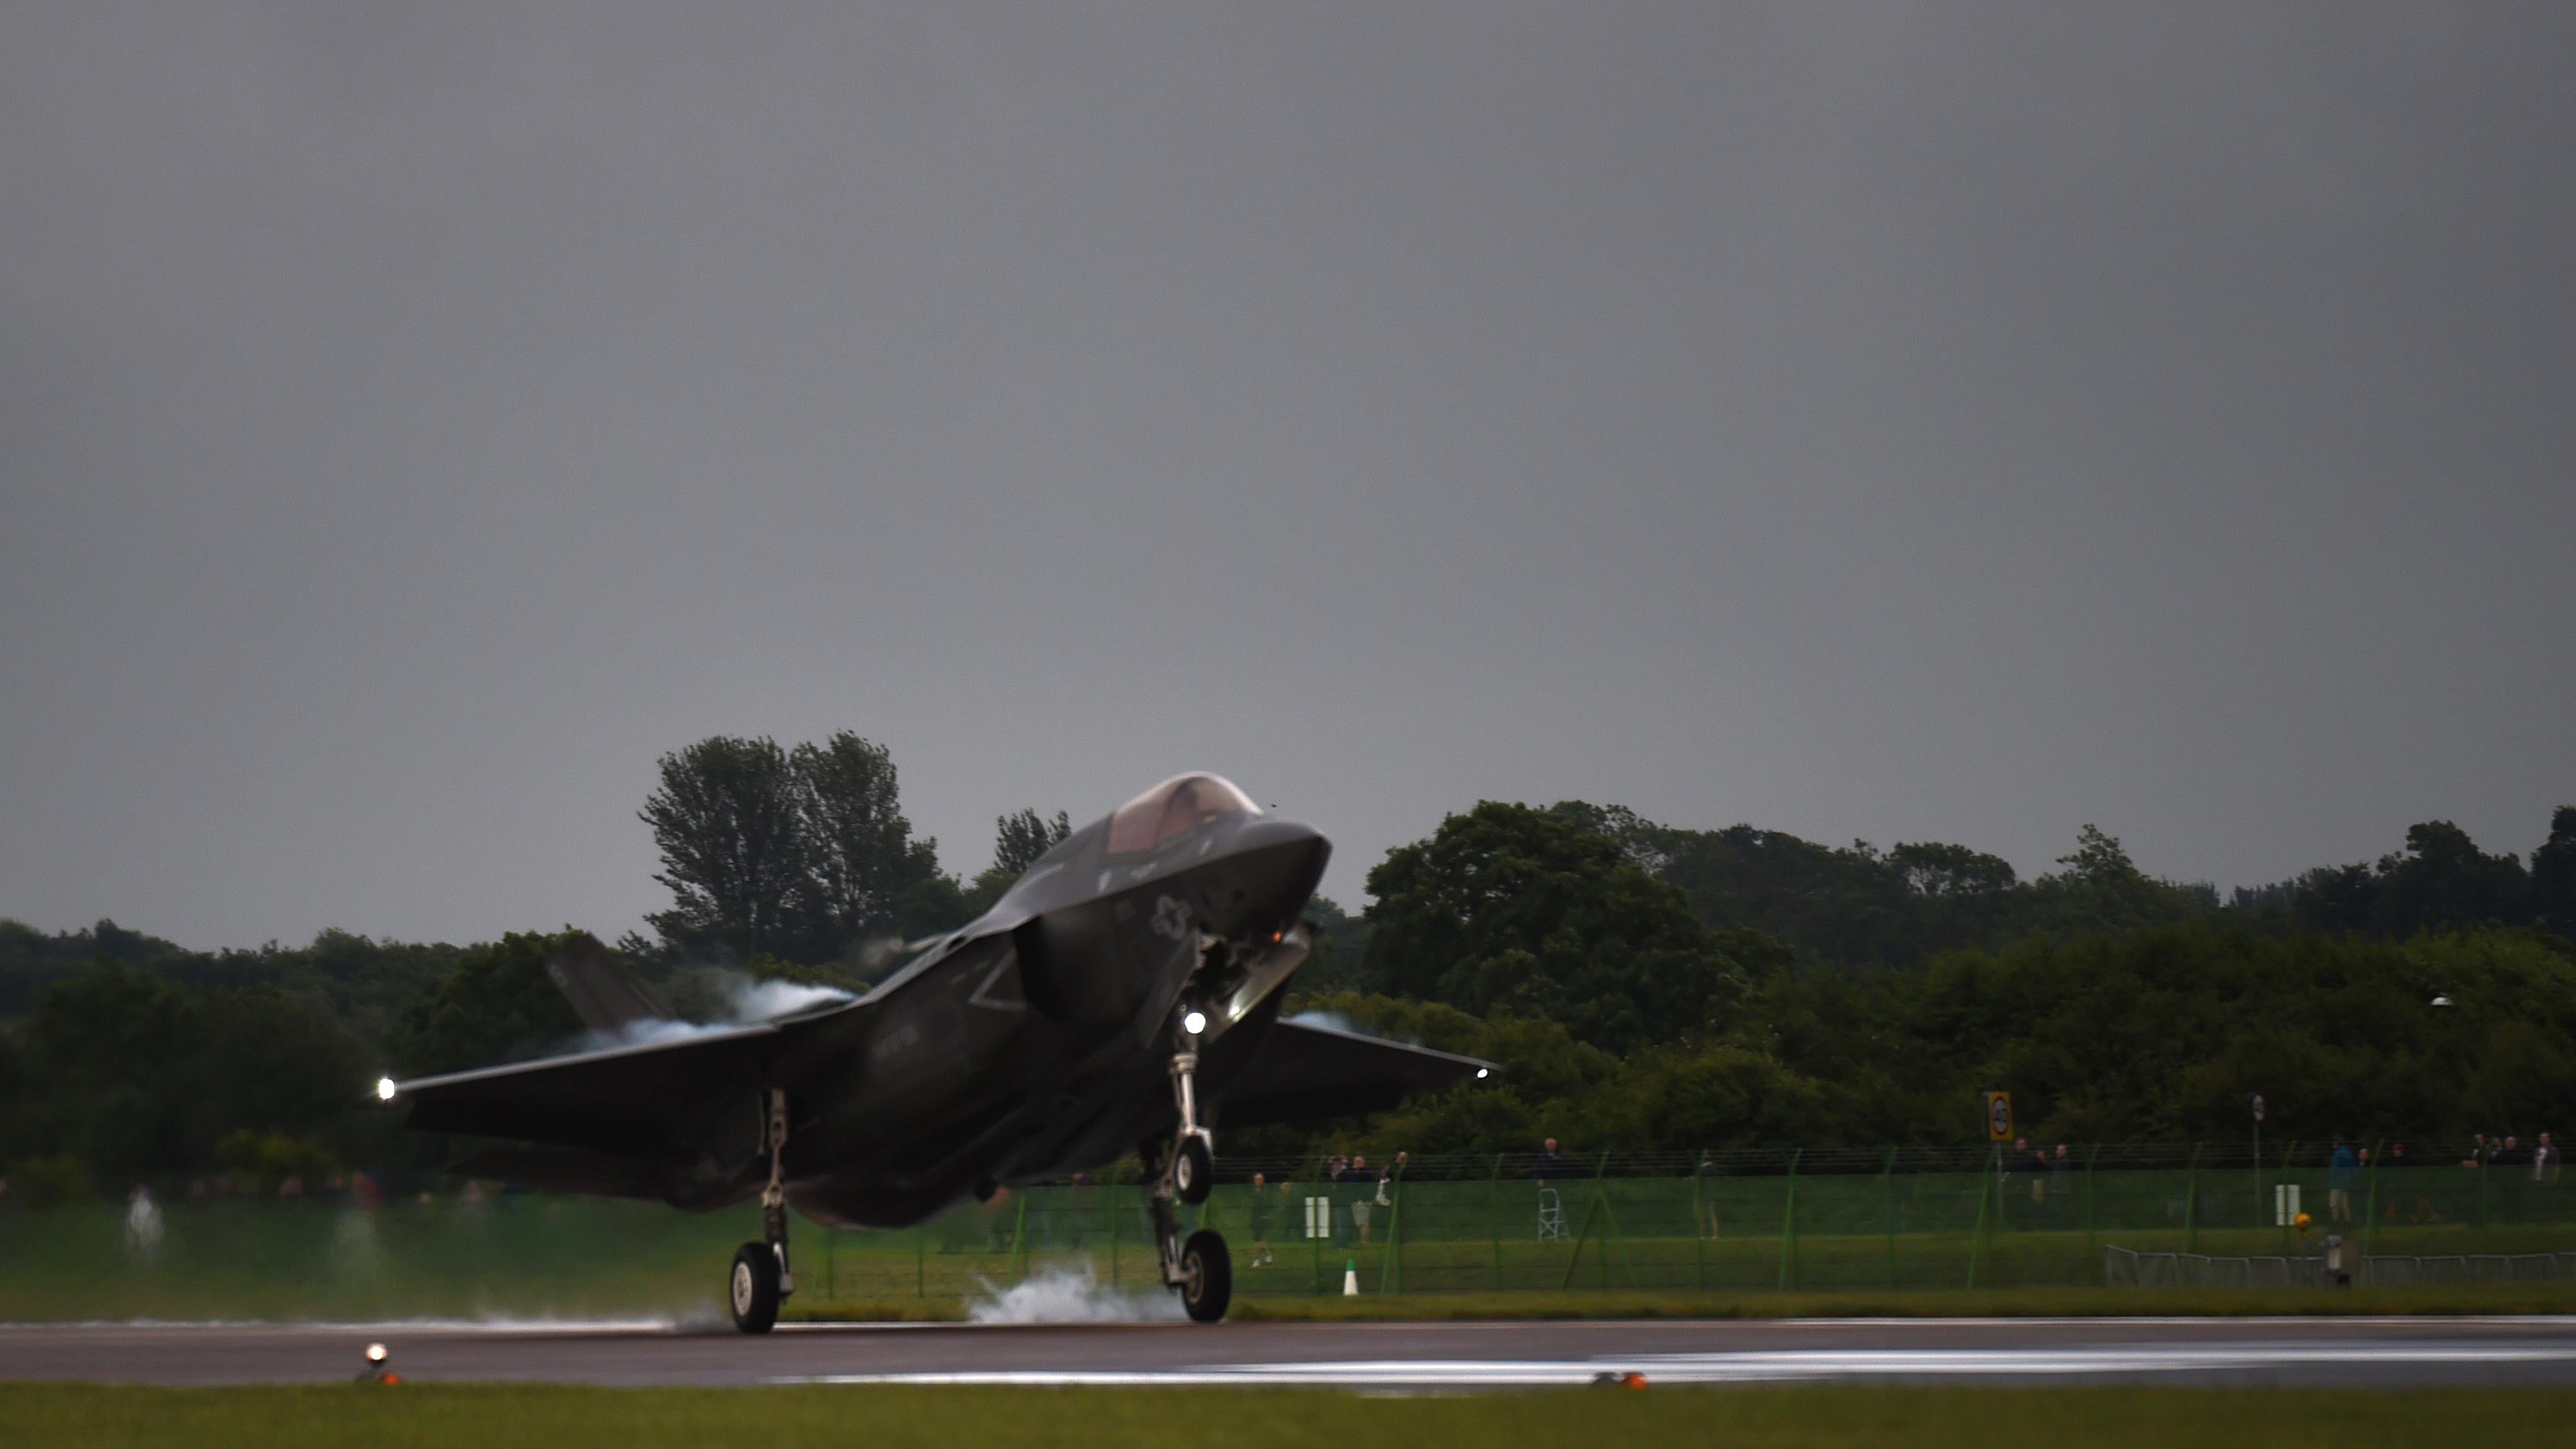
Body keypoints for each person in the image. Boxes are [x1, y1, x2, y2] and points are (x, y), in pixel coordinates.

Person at [1246, 1172, 1274, 1267]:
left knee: (1258, 1239)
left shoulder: (1266, 1191)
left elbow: (1269, 1204)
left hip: (1263, 1218)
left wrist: (1266, 1214)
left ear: (1263, 1180)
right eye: (1257, 1180)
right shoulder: (1254, 1191)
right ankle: (1268, 1256)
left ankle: (1257, 1260)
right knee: (1258, 1239)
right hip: (1255, 1217)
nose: (1258, 1181)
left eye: (1260, 1179)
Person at [2327, 1139, 2357, 1223]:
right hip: (2346, 1183)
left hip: (2336, 1183)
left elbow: (2334, 1169)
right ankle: (2348, 1223)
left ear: (2336, 1144)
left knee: (2334, 1204)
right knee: (2345, 1204)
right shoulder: (2348, 1153)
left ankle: (2335, 1223)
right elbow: (2353, 1168)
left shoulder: (2337, 1154)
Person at [1350, 1155, 1374, 1244]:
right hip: (1355, 1200)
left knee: (1364, 1221)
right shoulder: (1352, 1173)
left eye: (1359, 1162)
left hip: (1364, 1200)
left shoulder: (1366, 1173)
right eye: (1356, 1162)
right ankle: (1362, 1239)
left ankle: (1365, 1240)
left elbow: (1367, 1187)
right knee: (1359, 1221)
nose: (1357, 1164)